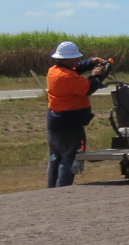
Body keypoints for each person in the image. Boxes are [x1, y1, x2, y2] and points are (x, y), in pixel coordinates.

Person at [46, 41, 110, 188]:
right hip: (69, 125)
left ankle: (51, 191)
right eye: (75, 58)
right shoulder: (67, 77)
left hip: (56, 123)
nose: (78, 60)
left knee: (55, 158)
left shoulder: (54, 71)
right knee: (70, 158)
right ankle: (63, 189)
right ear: (66, 59)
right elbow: (87, 89)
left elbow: (76, 69)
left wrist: (90, 62)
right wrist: (96, 76)